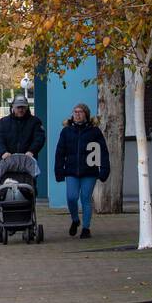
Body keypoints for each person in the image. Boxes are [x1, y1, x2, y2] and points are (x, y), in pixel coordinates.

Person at [53, 102, 110, 239]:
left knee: (85, 198)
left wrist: (104, 170)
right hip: (71, 171)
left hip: (89, 171)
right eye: (75, 112)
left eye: (80, 112)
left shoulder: (94, 132)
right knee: (71, 197)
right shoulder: (66, 131)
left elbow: (103, 151)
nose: (77, 114)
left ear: (86, 115)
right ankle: (75, 220)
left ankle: (86, 228)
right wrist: (59, 170)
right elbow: (60, 152)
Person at [0, 95, 45, 166]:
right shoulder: (3, 122)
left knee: (28, 177)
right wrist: (3, 152)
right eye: (18, 107)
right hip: (8, 161)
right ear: (13, 107)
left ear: (27, 108)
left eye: (23, 107)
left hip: (28, 161)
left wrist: (31, 151)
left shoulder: (35, 122)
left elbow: (39, 138)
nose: (21, 110)